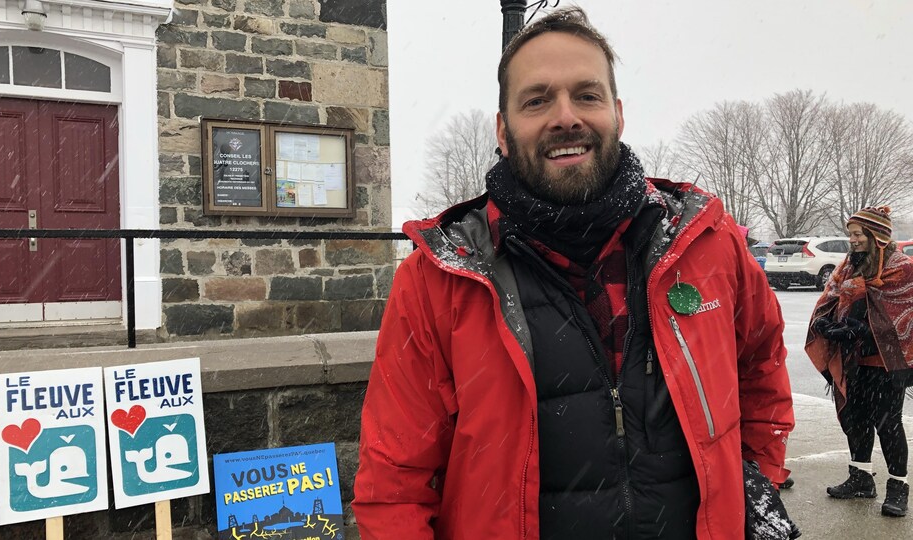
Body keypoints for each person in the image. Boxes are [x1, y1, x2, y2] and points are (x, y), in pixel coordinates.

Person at [353, 8, 794, 539]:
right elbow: (394, 482)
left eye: (587, 95)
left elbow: (761, 370)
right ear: (502, 129)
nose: (566, 117)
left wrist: (753, 485)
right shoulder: (438, 279)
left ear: (618, 113)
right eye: (537, 100)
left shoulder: (708, 245)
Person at [806, 206, 913, 518]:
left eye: (857, 234)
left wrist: (864, 329)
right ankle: (861, 478)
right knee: (856, 418)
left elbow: (901, 316)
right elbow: (833, 296)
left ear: (876, 236)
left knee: (888, 423)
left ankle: (898, 488)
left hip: (887, 361)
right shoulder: (849, 265)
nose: (851, 240)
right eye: (850, 233)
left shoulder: (901, 268)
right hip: (854, 359)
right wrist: (827, 323)